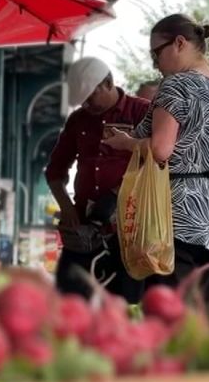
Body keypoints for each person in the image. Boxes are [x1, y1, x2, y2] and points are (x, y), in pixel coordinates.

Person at [104, 14, 209, 302]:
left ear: (179, 43)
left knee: (168, 316)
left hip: (175, 217)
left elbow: (160, 149)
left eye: (157, 52)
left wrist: (127, 143)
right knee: (203, 320)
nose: (155, 63)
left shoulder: (176, 84)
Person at [45, 57, 151, 303]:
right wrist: (66, 206)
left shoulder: (143, 112)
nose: (86, 104)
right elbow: (54, 171)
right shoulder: (78, 120)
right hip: (84, 231)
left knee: (126, 303)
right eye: (81, 100)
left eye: (90, 96)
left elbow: (158, 163)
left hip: (129, 231)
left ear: (109, 83)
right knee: (71, 301)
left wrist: (116, 195)